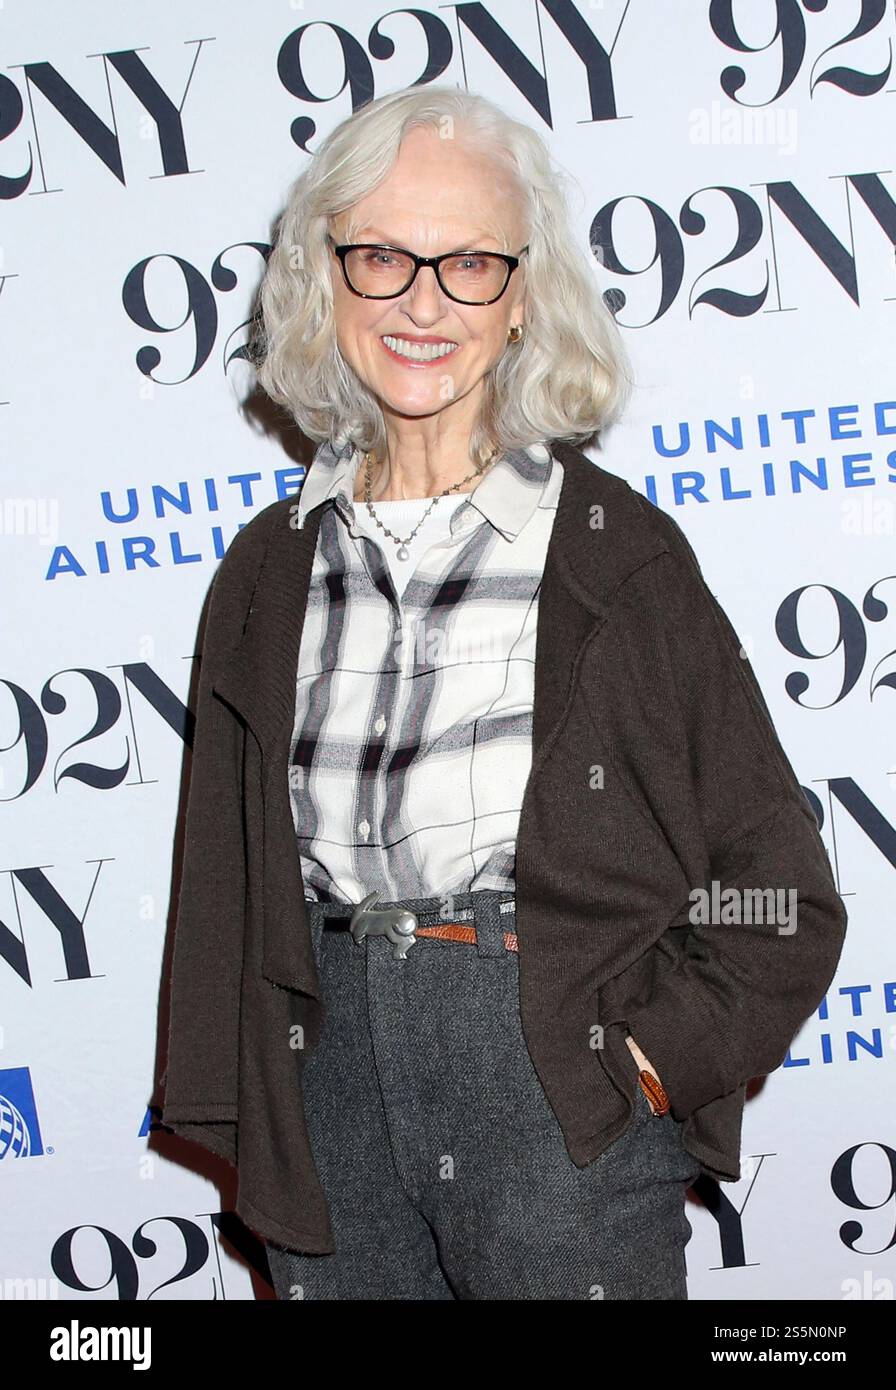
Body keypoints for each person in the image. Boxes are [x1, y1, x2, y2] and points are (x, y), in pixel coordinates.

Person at [160, 85, 847, 1300]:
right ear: (324, 279)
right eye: (381, 257)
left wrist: (639, 1064)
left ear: (523, 293)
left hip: (550, 1080)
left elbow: (776, 890)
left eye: (470, 261)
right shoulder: (267, 568)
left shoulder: (614, 556)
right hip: (333, 1093)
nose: (423, 300)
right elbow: (224, 886)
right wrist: (255, 1103)